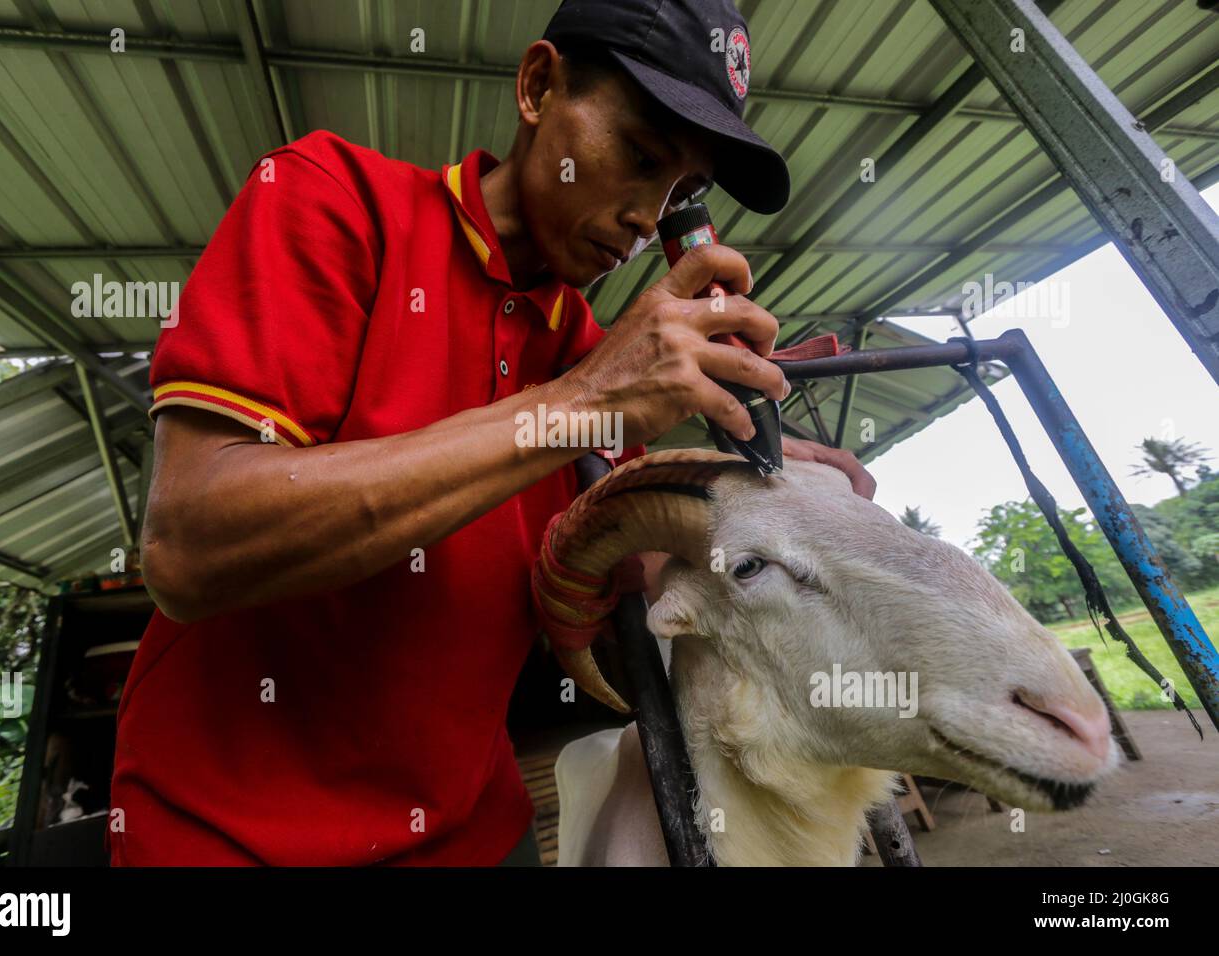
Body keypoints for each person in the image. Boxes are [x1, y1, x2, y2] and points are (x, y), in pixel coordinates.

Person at [108, 0, 874, 866]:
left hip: (471, 834)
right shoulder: (334, 200)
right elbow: (189, 545)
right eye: (639, 156)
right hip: (226, 837)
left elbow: (620, 620)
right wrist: (579, 403)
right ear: (538, 86)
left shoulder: (598, 363)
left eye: (678, 196)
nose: (643, 214)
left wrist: (753, 502)